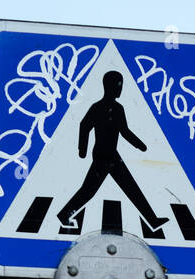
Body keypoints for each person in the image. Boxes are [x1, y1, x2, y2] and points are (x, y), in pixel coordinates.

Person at [56, 71, 169, 232]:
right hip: (102, 156)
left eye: (121, 85)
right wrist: (83, 150)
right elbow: (84, 126)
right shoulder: (97, 107)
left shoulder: (118, 108)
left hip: (112, 155)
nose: (120, 89)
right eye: (118, 85)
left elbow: (124, 131)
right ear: (108, 86)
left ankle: (152, 220)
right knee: (89, 191)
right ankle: (64, 215)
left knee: (131, 188)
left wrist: (140, 145)